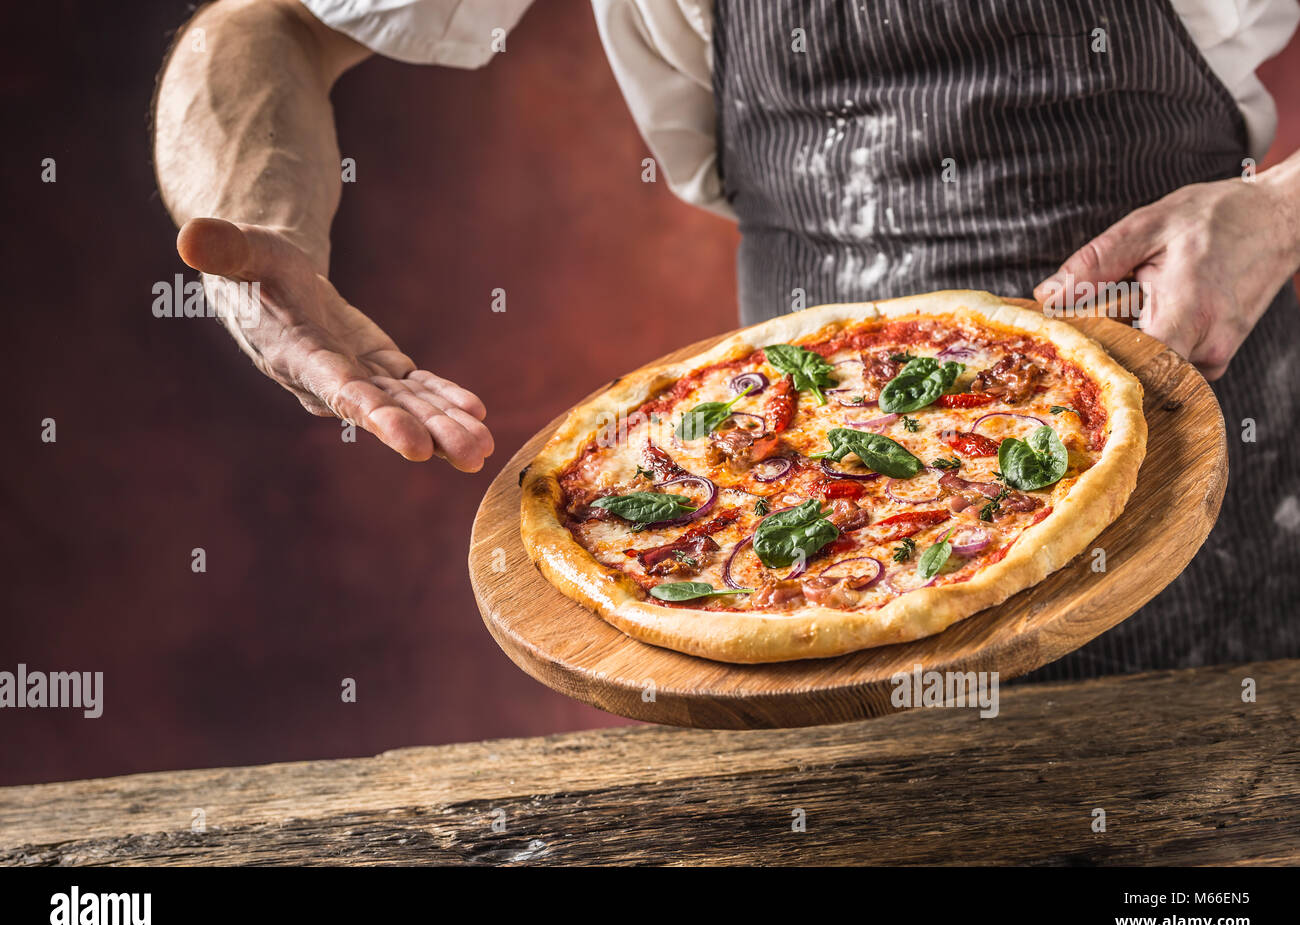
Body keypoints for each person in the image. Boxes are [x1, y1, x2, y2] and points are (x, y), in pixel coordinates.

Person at [153, 0, 1300, 678]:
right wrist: (257, 239)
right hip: (778, 518)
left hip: (1208, 450)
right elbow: (272, 29)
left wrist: (1280, 210)